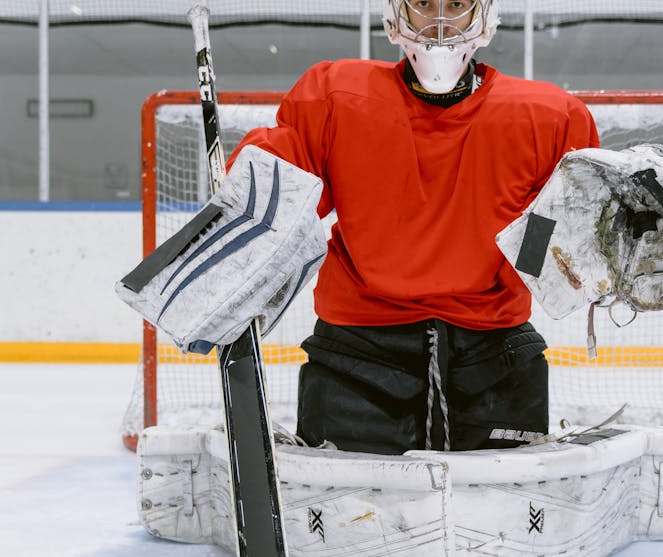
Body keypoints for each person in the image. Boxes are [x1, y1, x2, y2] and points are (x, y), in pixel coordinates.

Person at [228, 0, 599, 455]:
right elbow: (287, 183)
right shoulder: (335, 96)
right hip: (356, 349)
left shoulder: (550, 117)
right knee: (353, 510)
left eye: (457, 5)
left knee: (495, 508)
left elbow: (562, 233)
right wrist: (244, 181)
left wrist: (618, 233)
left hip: (493, 349)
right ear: (396, 14)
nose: (439, 21)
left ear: (483, 16)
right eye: (424, 4)